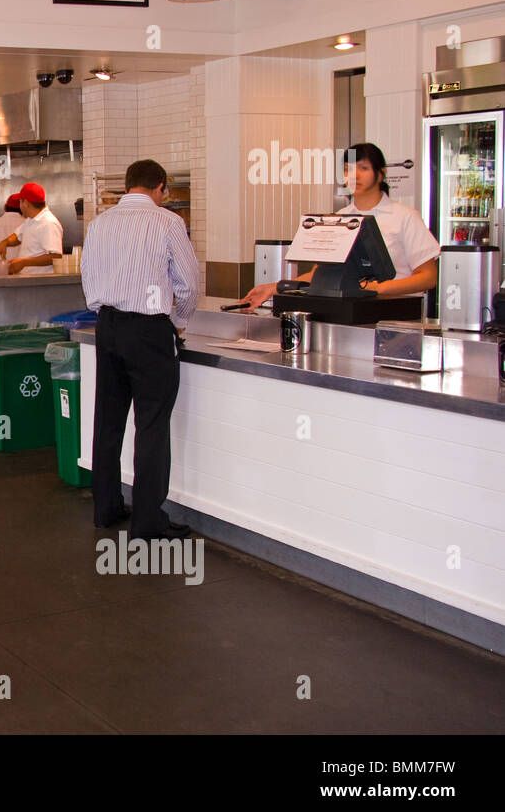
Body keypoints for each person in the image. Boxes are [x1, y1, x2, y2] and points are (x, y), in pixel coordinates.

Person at [82, 159, 200, 541]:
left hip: (108, 325)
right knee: (150, 425)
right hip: (149, 331)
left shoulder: (99, 224)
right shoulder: (168, 223)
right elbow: (187, 284)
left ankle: (106, 508)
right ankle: (148, 522)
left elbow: (88, 277)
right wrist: (179, 321)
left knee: (108, 420)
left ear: (127, 185)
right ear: (160, 188)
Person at [238, 142, 440, 308]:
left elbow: (428, 277)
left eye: (363, 168)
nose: (354, 176)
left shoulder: (405, 217)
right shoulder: (337, 219)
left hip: (395, 316)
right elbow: (320, 275)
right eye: (348, 169)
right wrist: (274, 288)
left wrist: (381, 288)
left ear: (381, 173)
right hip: (347, 316)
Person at [0, 182, 64, 275]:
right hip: (28, 280)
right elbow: (18, 237)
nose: (20, 206)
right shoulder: (31, 220)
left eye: (20, 202)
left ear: (26, 203)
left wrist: (23, 262)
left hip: (41, 282)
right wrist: (5, 243)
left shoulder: (48, 223)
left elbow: (55, 256)